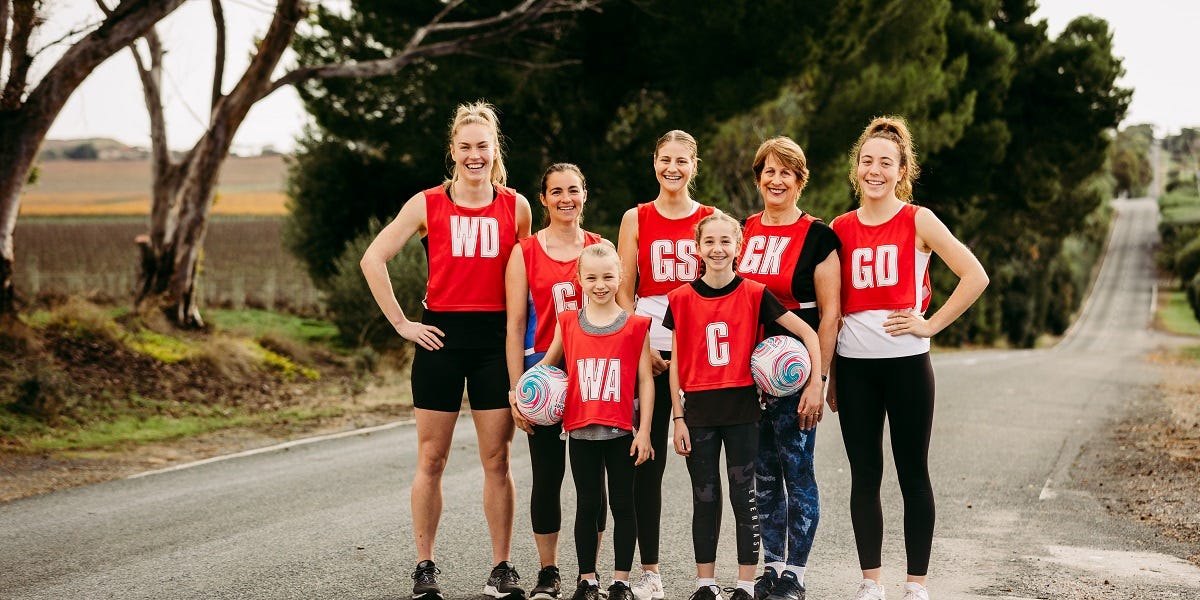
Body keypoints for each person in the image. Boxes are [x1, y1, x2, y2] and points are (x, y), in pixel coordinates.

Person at [360, 101, 533, 600]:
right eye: (465, 147)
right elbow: (373, 258)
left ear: (494, 150)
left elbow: (528, 276)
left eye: (483, 146)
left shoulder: (515, 206)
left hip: (493, 343)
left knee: (496, 458)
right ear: (453, 151)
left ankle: (501, 568)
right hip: (439, 338)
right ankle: (424, 567)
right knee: (431, 457)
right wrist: (402, 324)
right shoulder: (427, 204)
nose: (474, 155)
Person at [829, 117, 988, 600]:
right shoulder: (839, 227)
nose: (875, 170)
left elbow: (974, 275)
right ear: (856, 169)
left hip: (907, 367)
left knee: (912, 472)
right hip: (854, 367)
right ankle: (870, 582)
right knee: (865, 474)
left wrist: (930, 323)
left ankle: (916, 583)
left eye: (886, 163)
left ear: (901, 171)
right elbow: (833, 311)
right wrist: (831, 376)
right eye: (867, 161)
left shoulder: (918, 220)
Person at [665, 213, 823, 600]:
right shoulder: (681, 298)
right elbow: (676, 364)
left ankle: (745, 584)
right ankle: (705, 583)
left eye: (726, 241)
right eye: (709, 242)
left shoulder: (755, 292)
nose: (717, 249)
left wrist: (815, 377)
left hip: (743, 412)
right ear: (697, 248)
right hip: (699, 412)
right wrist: (678, 417)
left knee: (743, 498)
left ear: (739, 246)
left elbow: (807, 332)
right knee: (704, 498)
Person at [735, 137, 841, 600]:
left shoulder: (819, 237)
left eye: (787, 173)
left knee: (797, 471)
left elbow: (831, 314)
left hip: (797, 377)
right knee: (761, 474)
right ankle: (770, 566)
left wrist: (819, 381)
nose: (776, 181)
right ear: (758, 178)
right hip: (747, 375)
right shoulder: (741, 230)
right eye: (768, 172)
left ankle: (796, 573)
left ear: (800, 180)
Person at [616, 130, 716, 600]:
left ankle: (707, 577)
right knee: (647, 462)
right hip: (649, 353)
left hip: (698, 354)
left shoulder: (712, 219)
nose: (672, 168)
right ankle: (650, 571)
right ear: (653, 162)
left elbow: (722, 292)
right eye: (664, 159)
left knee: (704, 468)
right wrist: (640, 347)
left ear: (694, 165)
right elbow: (622, 292)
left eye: (681, 160)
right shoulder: (635, 218)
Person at [505, 163, 608, 600]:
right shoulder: (525, 252)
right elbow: (513, 326)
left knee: (592, 478)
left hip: (591, 373)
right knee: (547, 476)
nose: (566, 198)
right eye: (556, 192)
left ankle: (589, 574)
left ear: (585, 194)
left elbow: (618, 315)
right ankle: (548, 573)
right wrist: (515, 391)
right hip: (542, 380)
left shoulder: (600, 248)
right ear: (543, 199)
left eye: (573, 190)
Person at [535, 244, 655, 600]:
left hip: (621, 432)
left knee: (622, 504)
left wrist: (644, 430)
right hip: (580, 431)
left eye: (607, 277)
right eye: (591, 278)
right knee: (587, 504)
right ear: (579, 280)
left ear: (620, 277)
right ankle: (587, 580)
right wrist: (521, 391)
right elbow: (547, 366)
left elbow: (646, 380)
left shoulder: (635, 326)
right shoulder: (568, 322)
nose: (600, 285)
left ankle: (620, 582)